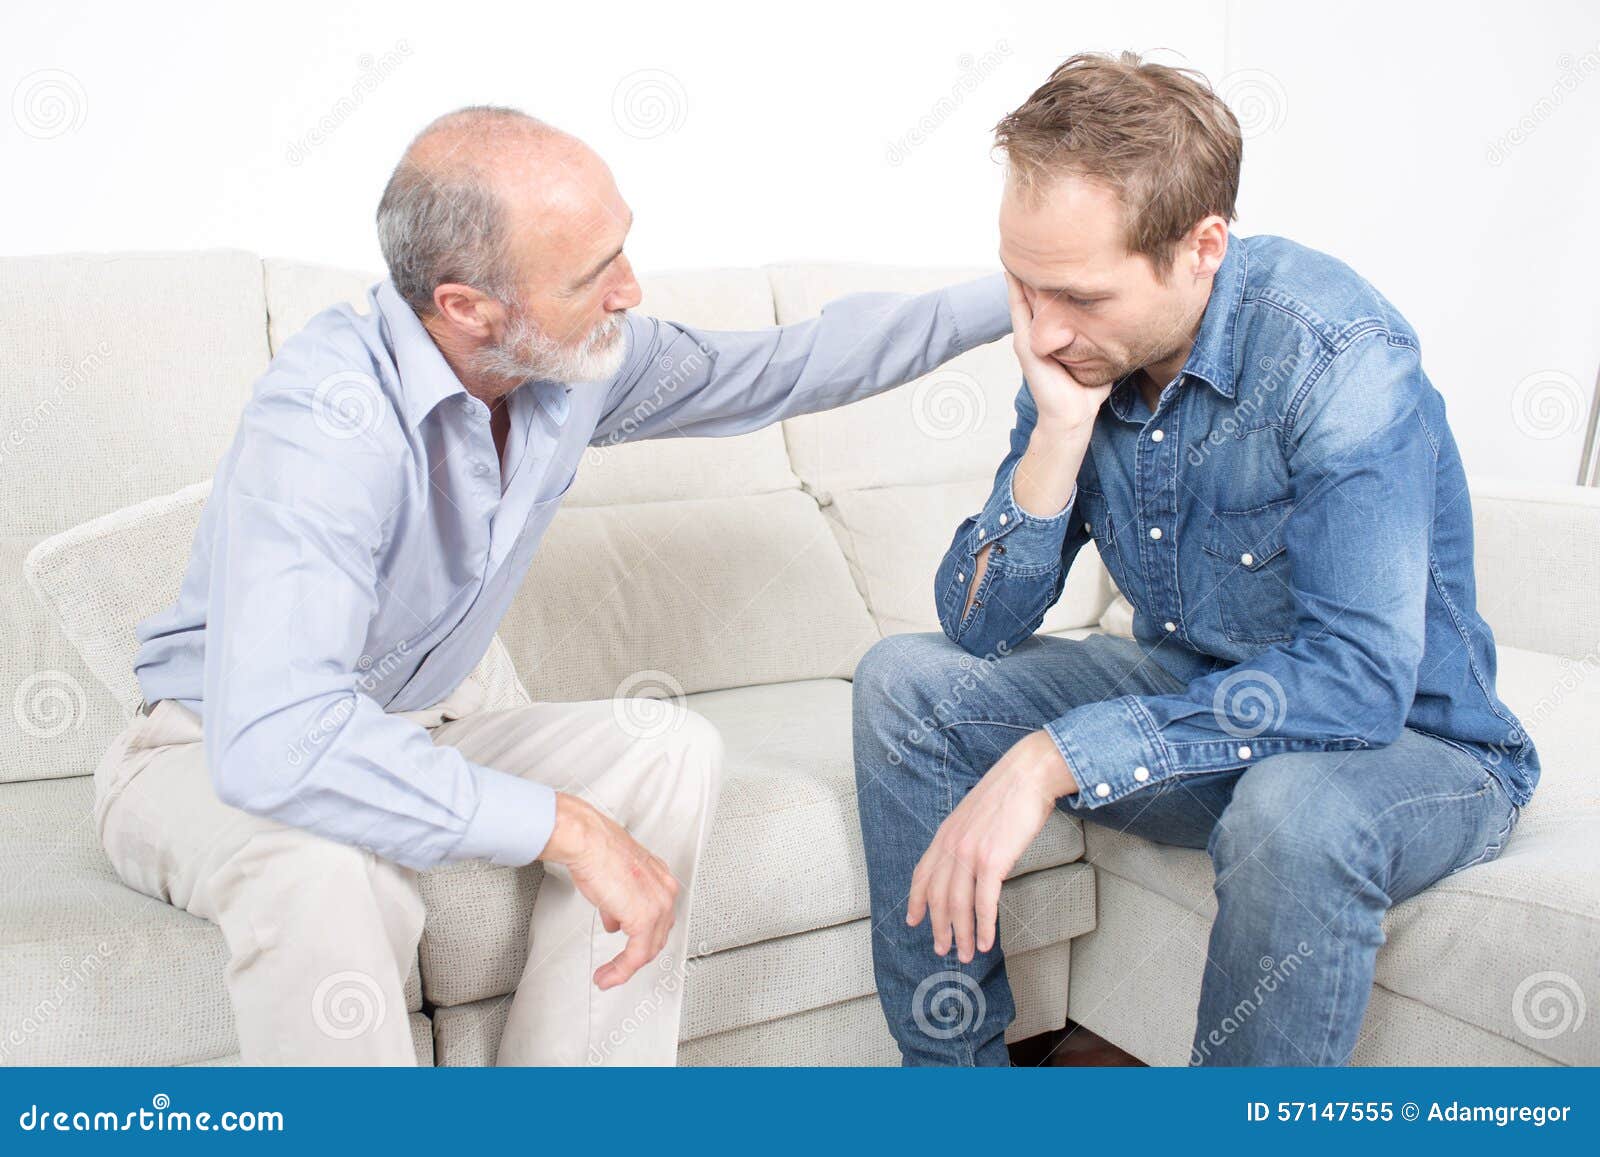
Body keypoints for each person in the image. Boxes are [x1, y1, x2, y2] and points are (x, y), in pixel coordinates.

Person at [94, 105, 1010, 1065]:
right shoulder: (329, 421)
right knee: (318, 864)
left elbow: (793, 365)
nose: (630, 289)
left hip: (417, 725)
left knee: (663, 748)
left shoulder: (573, 368)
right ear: (468, 308)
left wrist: (1024, 296)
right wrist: (563, 824)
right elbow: (277, 741)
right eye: (592, 274)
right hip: (207, 748)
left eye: (622, 249)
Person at [853, 52, 1536, 1066]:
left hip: (1409, 744)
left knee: (1294, 809)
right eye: (1021, 285)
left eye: (1076, 294)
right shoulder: (1077, 351)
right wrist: (1055, 433)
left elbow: (1355, 687)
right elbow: (976, 624)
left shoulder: (1336, 353)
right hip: (1203, 696)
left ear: (1200, 245)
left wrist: (1057, 754)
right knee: (905, 683)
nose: (1038, 328)